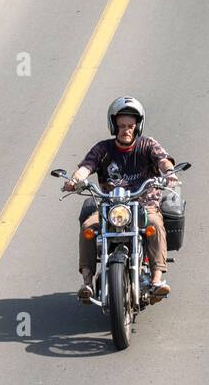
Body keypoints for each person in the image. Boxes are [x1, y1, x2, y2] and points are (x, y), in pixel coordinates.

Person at [62, 97, 175, 303]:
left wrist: (169, 173)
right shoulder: (103, 149)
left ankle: (158, 280)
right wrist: (76, 179)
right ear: (113, 125)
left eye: (130, 126)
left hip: (143, 204)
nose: (126, 130)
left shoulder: (147, 144)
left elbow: (163, 160)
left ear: (138, 126)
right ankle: (87, 282)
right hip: (110, 206)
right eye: (121, 126)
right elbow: (87, 166)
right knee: (88, 226)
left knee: (156, 224)